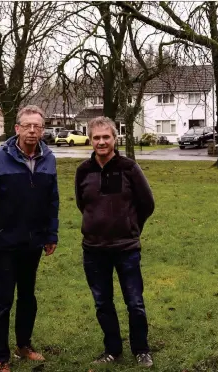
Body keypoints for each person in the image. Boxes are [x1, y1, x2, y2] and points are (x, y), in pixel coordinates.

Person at [0, 105, 59, 372]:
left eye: (38, 126)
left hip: (33, 242)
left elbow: (52, 201)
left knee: (27, 297)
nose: (33, 131)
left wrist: (51, 233)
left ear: (42, 130)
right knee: (3, 300)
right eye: (28, 125)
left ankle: (24, 345)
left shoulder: (49, 158)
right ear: (17, 128)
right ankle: (0, 357)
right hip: (4, 243)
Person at [75, 117, 155, 368]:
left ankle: (141, 349)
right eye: (96, 137)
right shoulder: (83, 171)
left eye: (106, 137)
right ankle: (112, 349)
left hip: (126, 249)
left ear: (115, 138)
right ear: (90, 140)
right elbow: (82, 204)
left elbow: (147, 204)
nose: (101, 142)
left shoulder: (129, 168)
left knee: (135, 303)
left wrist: (132, 228)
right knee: (102, 303)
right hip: (94, 250)